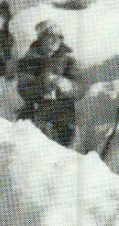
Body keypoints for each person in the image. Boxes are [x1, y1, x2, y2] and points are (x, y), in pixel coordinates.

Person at [17, 17, 79, 148]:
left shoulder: (68, 61)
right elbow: (25, 91)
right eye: (50, 36)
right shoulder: (29, 61)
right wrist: (45, 84)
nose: (55, 40)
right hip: (38, 107)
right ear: (41, 38)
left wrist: (65, 85)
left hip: (64, 106)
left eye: (59, 37)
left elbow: (77, 86)